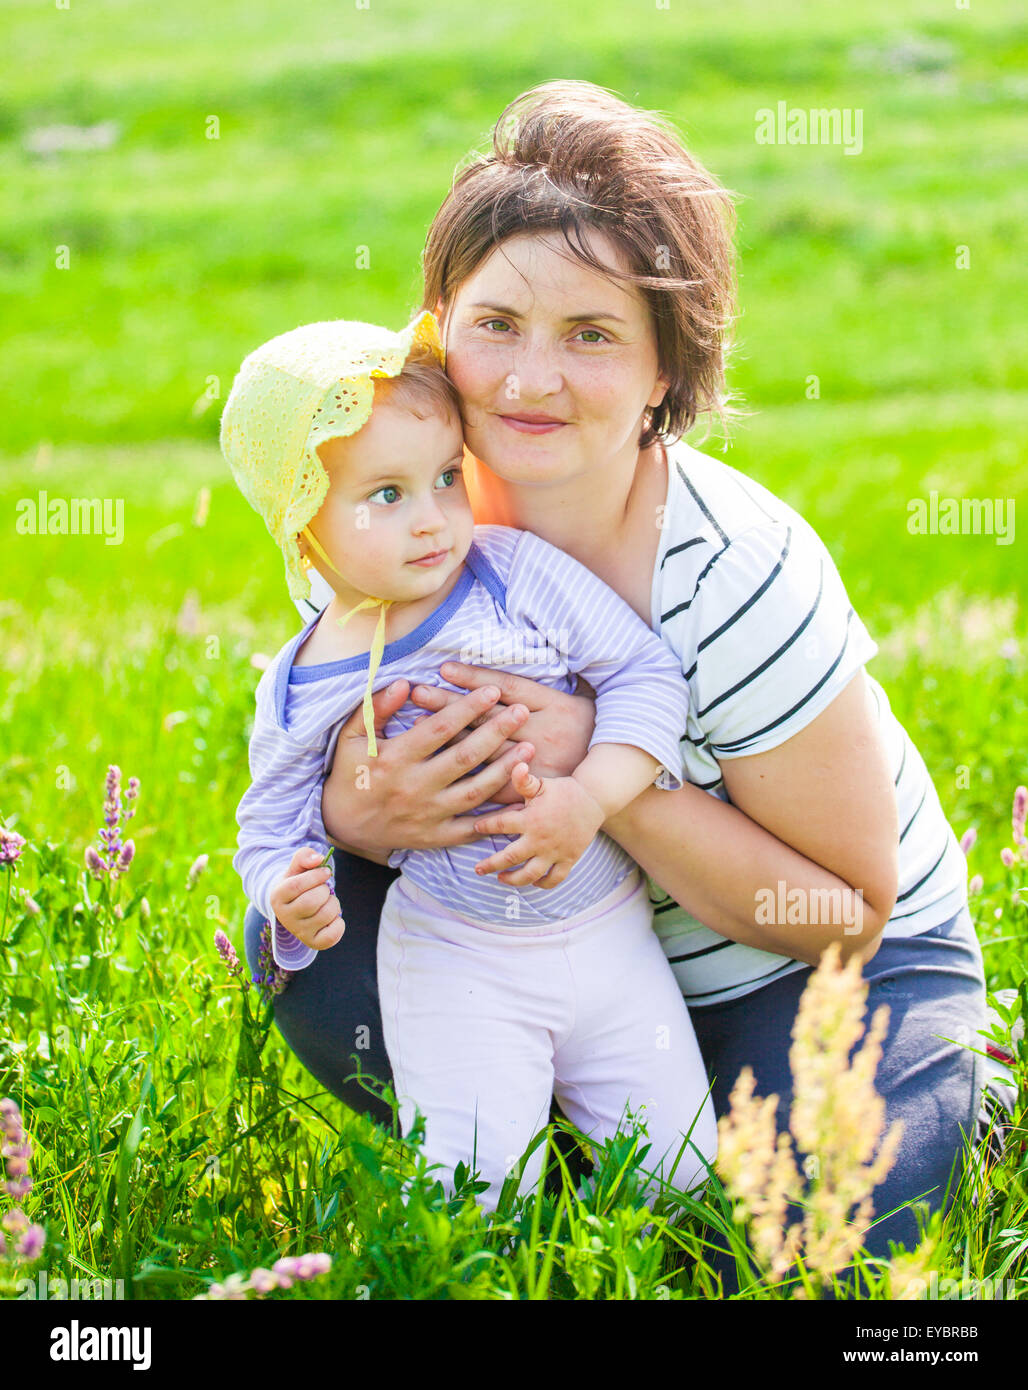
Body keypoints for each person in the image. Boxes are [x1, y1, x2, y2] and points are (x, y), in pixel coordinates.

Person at [242, 80, 987, 1276]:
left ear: (661, 372)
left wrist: (602, 771)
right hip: (532, 942)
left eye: (591, 335)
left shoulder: (731, 570)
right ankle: (549, 1159)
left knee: (808, 1254)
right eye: (496, 325)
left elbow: (846, 913)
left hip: (795, 971)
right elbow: (322, 753)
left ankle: (937, 1091)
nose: (529, 380)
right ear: (436, 329)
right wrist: (350, 814)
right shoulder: (391, 510)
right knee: (298, 920)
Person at [221, 309, 718, 1212]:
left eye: (448, 477)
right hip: (455, 956)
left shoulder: (510, 574)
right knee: (478, 1184)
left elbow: (643, 673)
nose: (435, 520)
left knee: (676, 1171)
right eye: (387, 495)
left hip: (607, 930)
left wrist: (593, 799)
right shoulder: (304, 681)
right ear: (302, 525)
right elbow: (268, 822)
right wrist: (283, 887)